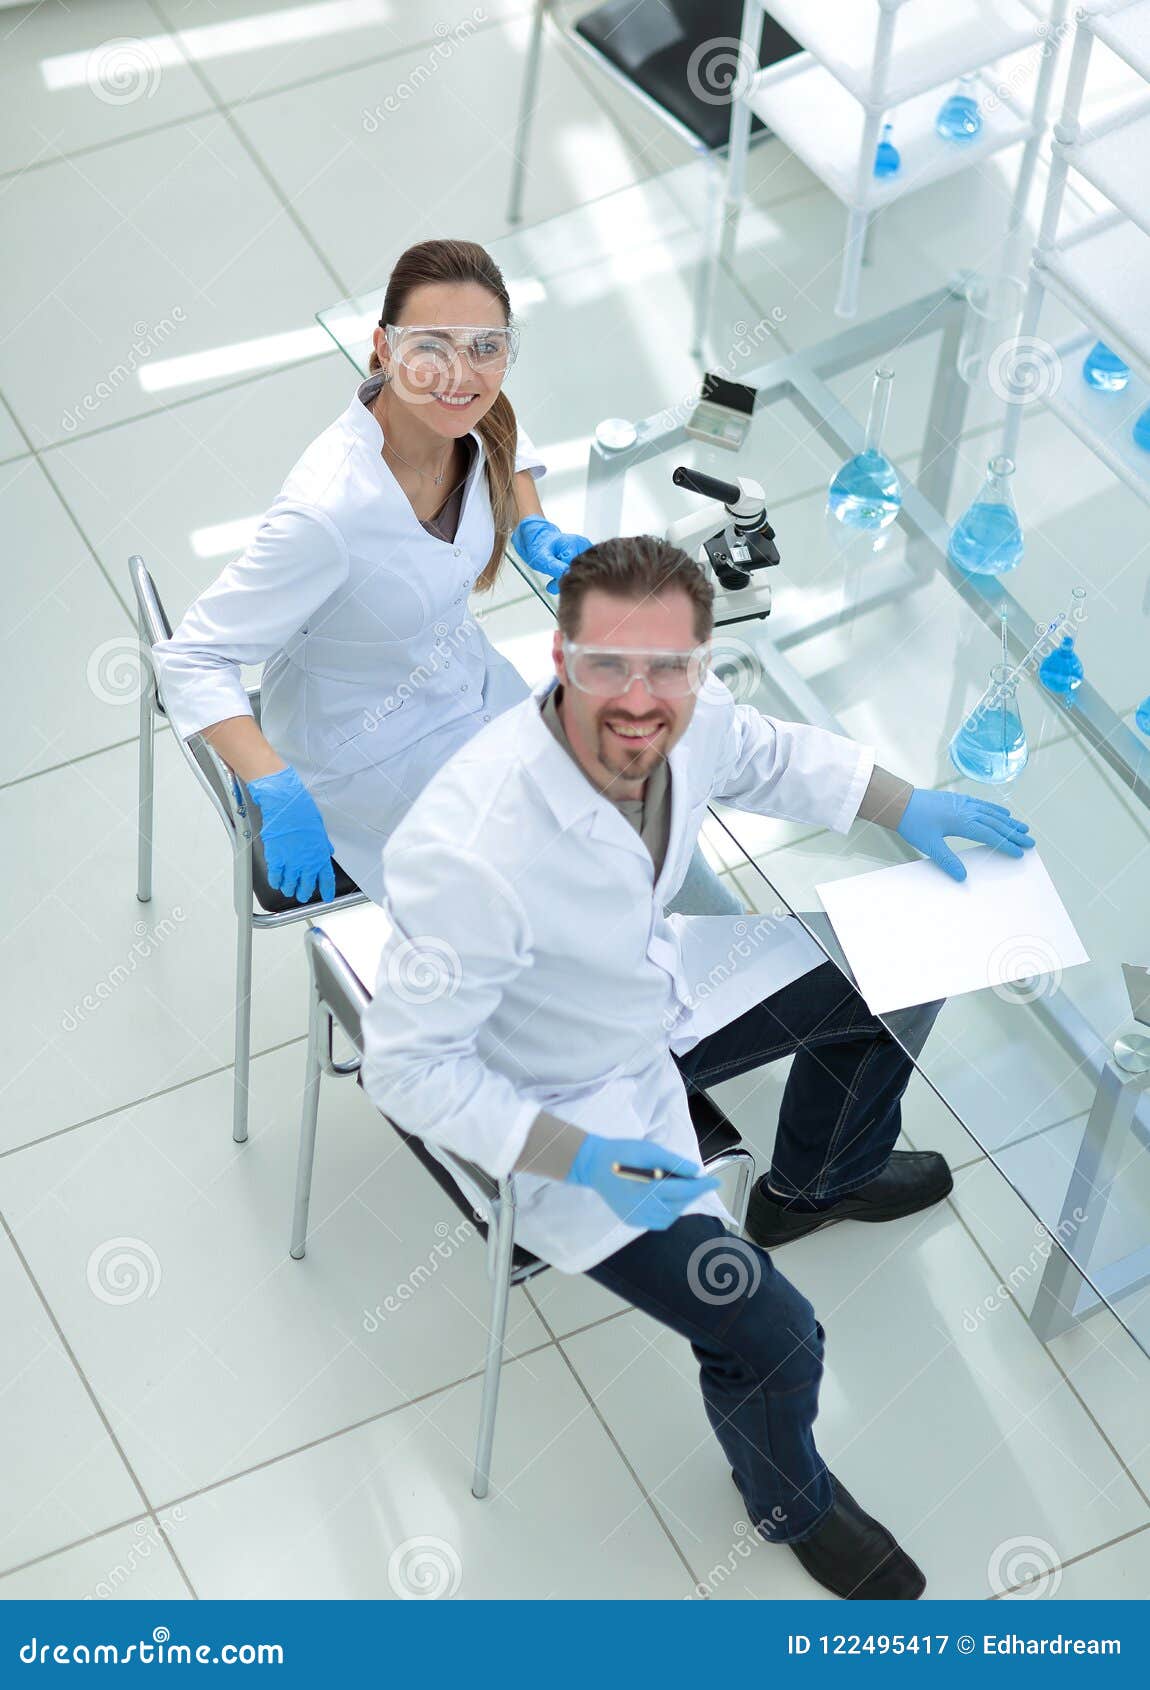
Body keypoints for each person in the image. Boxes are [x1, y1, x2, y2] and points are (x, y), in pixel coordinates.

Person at [360, 536, 1035, 1599]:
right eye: (608, 665)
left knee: (905, 962)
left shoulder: (690, 713)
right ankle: (788, 1501)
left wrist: (905, 804)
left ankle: (818, 1179)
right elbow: (404, 1070)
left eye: (670, 666)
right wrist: (575, 1155)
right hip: (560, 1101)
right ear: (559, 654)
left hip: (656, 998)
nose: (640, 697)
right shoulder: (471, 851)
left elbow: (772, 755)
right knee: (770, 1330)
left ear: (701, 661)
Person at [151, 238, 740, 914]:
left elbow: (505, 438)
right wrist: (273, 786)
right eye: (431, 346)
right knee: (575, 875)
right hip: (365, 752)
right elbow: (191, 658)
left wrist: (529, 522)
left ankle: (727, 958)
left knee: (639, 803)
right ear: (383, 347)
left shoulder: (473, 416)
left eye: (486, 347)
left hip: (471, 690)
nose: (460, 374)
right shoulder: (329, 509)